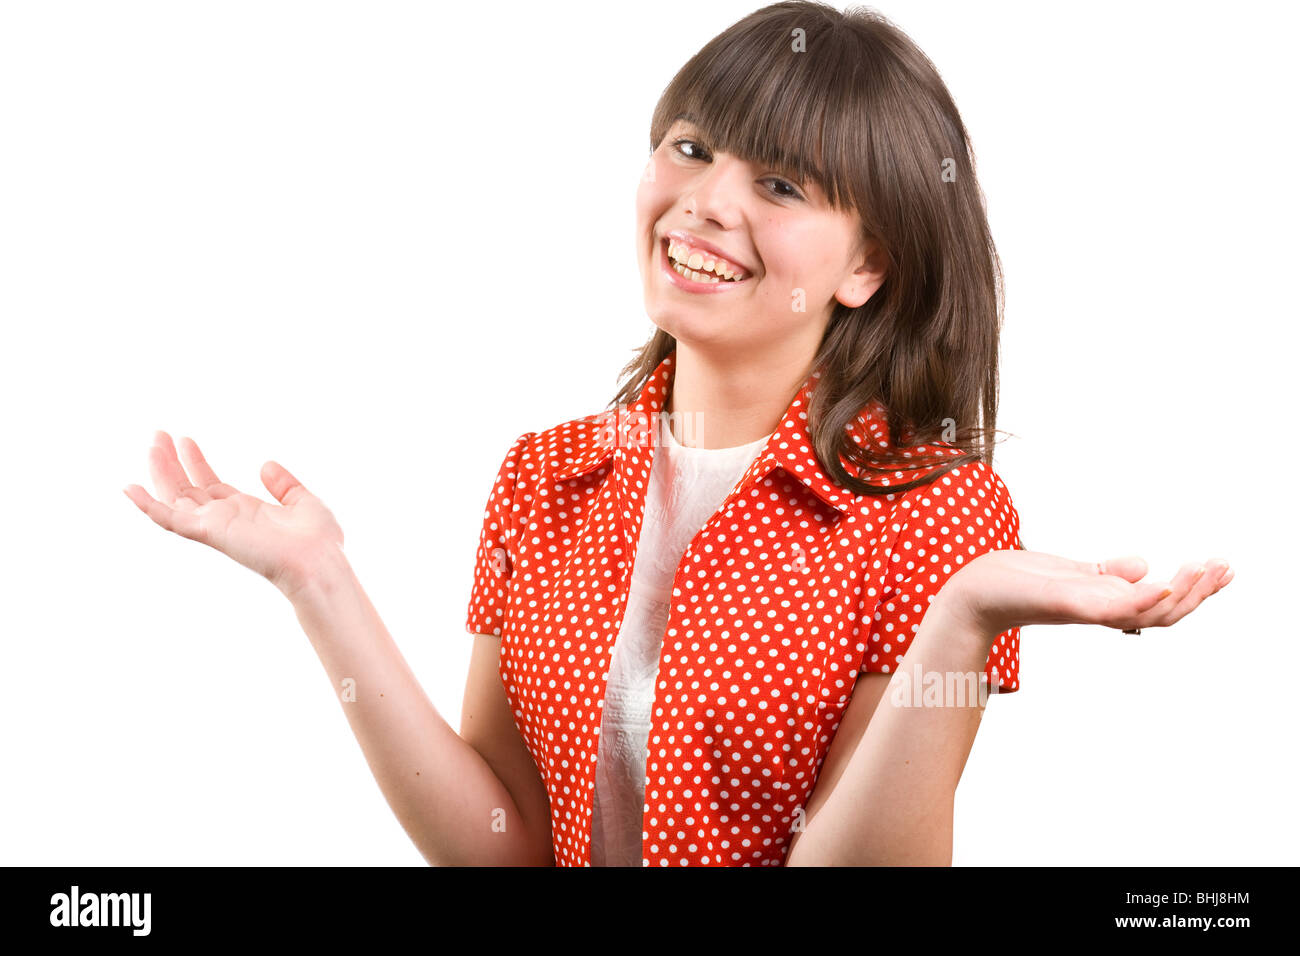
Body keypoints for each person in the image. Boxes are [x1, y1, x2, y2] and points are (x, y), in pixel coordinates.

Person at [123, 1, 1233, 866]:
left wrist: (961, 621)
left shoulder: (934, 515)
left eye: (781, 183)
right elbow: (502, 843)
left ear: (866, 265)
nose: (705, 203)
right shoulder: (543, 475)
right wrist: (318, 580)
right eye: (693, 148)